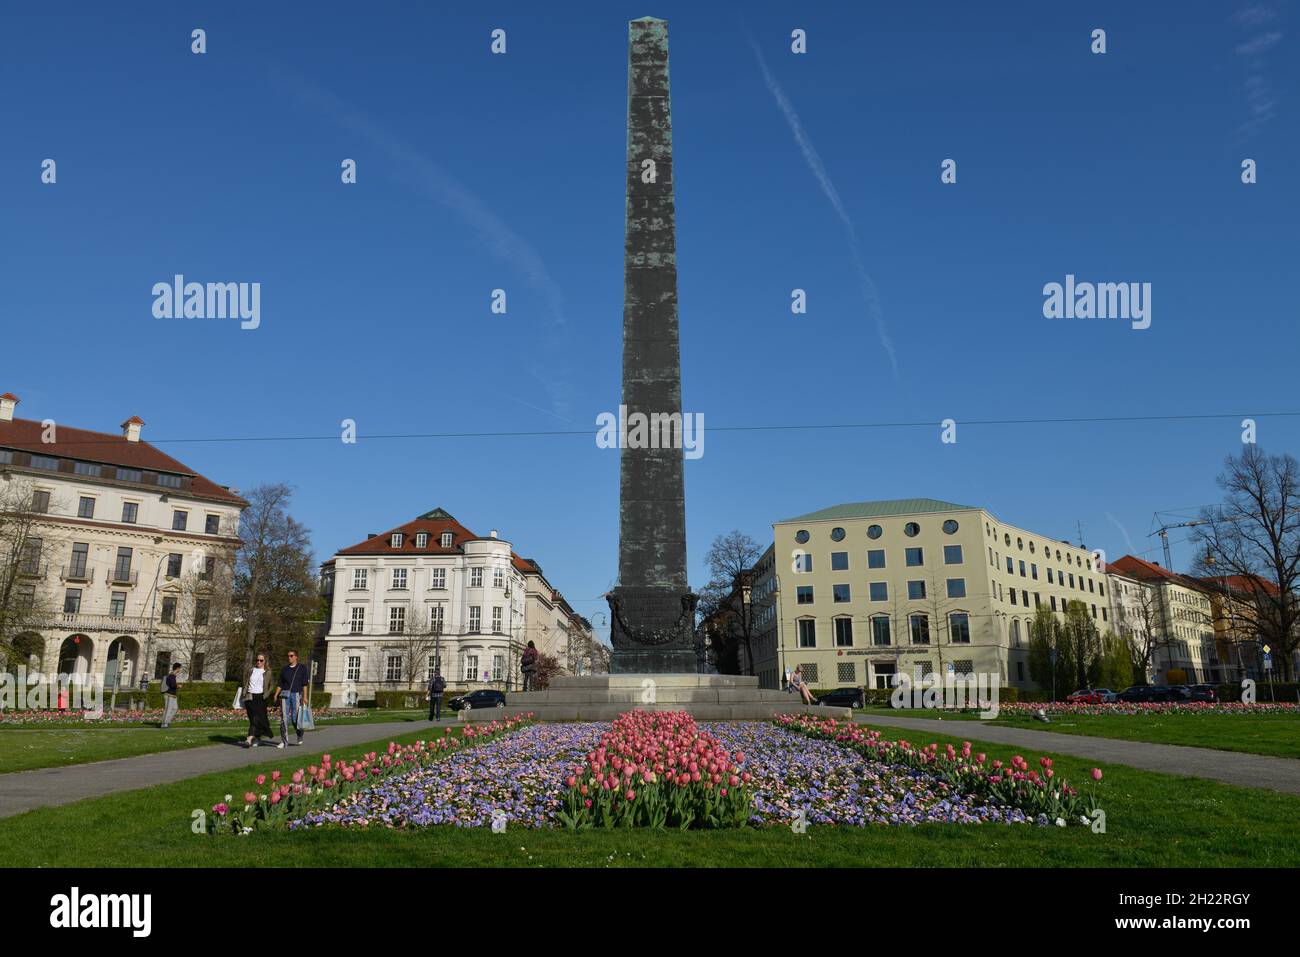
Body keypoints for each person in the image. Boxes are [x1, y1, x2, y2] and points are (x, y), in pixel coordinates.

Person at [273, 649, 311, 749]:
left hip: (296, 694)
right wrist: (276, 694)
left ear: (296, 657)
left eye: (291, 656)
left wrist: (305, 697)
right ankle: (284, 741)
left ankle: (299, 734)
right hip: (285, 695)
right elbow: (280, 683)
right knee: (284, 718)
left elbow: (305, 684)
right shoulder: (284, 669)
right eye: (288, 656)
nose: (289, 657)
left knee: (295, 718)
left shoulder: (302, 668)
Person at [243, 654, 273, 748]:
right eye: (257, 660)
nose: (258, 662)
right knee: (253, 718)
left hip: (260, 697)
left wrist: (266, 694)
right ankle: (257, 738)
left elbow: (271, 685)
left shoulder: (268, 672)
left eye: (261, 660)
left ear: (265, 661)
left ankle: (249, 739)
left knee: (256, 718)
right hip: (250, 697)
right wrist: (244, 692)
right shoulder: (251, 670)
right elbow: (246, 682)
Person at [160, 662, 182, 728]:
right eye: (180, 668)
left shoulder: (173, 676)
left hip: (173, 695)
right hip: (169, 695)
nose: (180, 670)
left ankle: (167, 721)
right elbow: (172, 685)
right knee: (168, 709)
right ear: (177, 668)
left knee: (175, 708)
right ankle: (164, 724)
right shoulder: (171, 675)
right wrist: (178, 686)